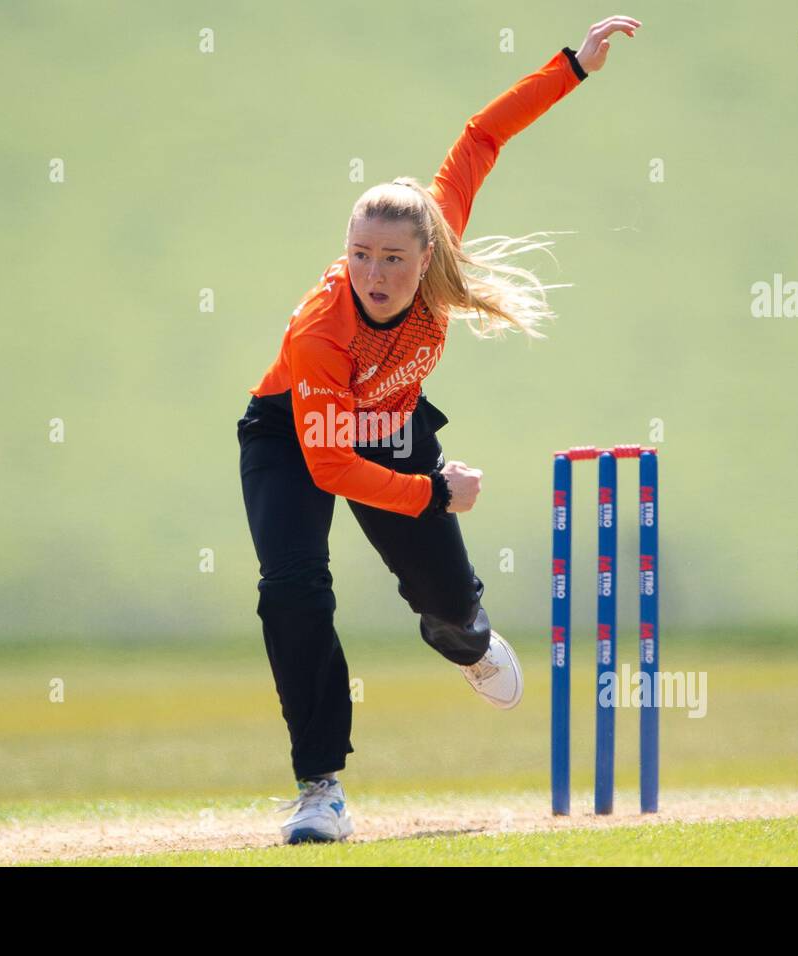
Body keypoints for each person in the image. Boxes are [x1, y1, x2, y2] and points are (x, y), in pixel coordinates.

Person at [236, 16, 641, 844]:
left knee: (450, 609)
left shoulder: (437, 229)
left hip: (389, 425)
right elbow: (331, 465)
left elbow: (482, 135)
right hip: (293, 438)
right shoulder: (322, 331)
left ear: (427, 253)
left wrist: (574, 66)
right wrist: (434, 491)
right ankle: (321, 788)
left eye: (392, 258)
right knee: (292, 592)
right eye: (359, 255)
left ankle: (464, 633)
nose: (374, 275)